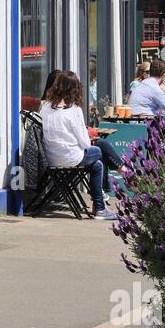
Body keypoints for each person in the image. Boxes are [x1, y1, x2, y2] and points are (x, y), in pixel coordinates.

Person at [41, 71, 118, 220]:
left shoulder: (45, 108)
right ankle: (101, 205)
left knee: (97, 165)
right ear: (74, 89)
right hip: (71, 158)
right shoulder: (74, 111)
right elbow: (85, 143)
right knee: (99, 148)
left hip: (51, 158)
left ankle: (101, 207)